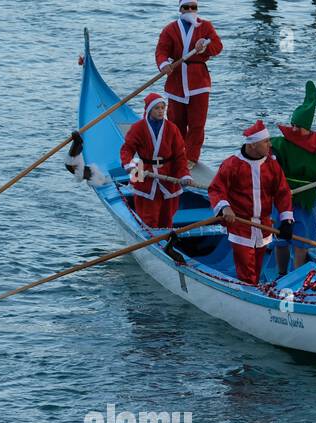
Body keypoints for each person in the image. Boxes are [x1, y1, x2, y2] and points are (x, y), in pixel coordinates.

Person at [208, 121, 294, 285]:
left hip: (263, 225)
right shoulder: (232, 164)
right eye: (266, 141)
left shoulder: (272, 165)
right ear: (253, 145)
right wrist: (225, 207)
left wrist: (286, 220)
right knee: (246, 269)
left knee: (257, 265)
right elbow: (216, 189)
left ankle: (253, 287)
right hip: (240, 224)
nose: (270, 144)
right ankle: (250, 290)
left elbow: (283, 193)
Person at [270, 81, 316, 275]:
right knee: (281, 237)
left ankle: (297, 274)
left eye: (298, 127)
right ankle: (281, 273)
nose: (293, 129)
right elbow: (270, 167)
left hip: (306, 200)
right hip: (283, 198)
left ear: (307, 128)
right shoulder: (279, 145)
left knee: (301, 239)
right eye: (292, 124)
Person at [155, 1, 223, 166]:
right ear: (180, 9)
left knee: (197, 123)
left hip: (199, 83)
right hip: (176, 81)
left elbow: (218, 47)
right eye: (186, 7)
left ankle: (191, 157)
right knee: (175, 122)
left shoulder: (205, 26)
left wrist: (205, 46)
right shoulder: (170, 29)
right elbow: (161, 51)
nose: (190, 10)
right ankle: (175, 154)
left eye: (194, 7)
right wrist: (164, 65)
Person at [121, 93, 192, 230]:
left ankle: (165, 239)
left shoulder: (172, 128)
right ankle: (150, 236)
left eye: (162, 108)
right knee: (148, 215)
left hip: (168, 173)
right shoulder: (138, 128)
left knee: (167, 215)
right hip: (144, 171)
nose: (160, 111)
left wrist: (184, 174)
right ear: (149, 110)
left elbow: (180, 156)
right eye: (157, 108)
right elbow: (127, 149)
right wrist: (129, 164)